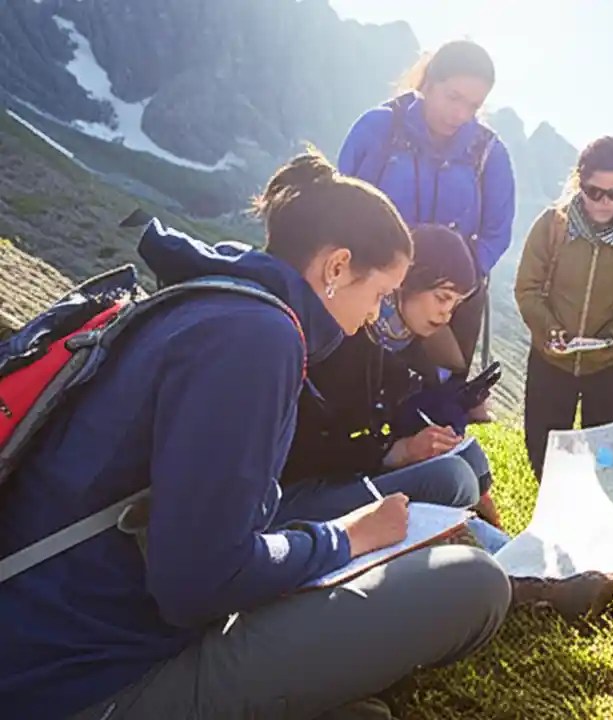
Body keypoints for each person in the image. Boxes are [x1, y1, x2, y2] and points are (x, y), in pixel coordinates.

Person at [0, 152, 511, 719]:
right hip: (85, 683)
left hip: (43, 634)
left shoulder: (217, 302)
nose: (374, 315)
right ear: (337, 267)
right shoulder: (258, 340)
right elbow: (197, 583)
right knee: (476, 586)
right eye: (380, 294)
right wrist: (345, 540)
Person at [281, 224, 507, 549]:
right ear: (405, 284)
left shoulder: (405, 347)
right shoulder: (342, 339)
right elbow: (308, 450)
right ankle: (506, 567)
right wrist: (394, 452)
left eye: (455, 305)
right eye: (442, 298)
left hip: (345, 476)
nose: (447, 314)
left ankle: (509, 560)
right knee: (450, 478)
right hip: (301, 494)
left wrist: (424, 438)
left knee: (465, 458)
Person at [339, 39, 516, 396]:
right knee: (358, 388)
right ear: (428, 82)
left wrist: (453, 287)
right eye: (453, 97)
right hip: (375, 287)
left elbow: (497, 232)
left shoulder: (489, 153)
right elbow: (344, 204)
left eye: (474, 105)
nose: (461, 114)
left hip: (448, 304)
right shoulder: (379, 129)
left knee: (443, 399)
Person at [515, 137, 613, 482]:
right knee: (544, 452)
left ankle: (599, 522)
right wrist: (549, 331)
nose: (604, 202)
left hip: (609, 364)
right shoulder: (552, 226)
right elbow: (527, 289)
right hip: (551, 360)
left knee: (608, 455)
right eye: (595, 192)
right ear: (580, 182)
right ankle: (555, 515)